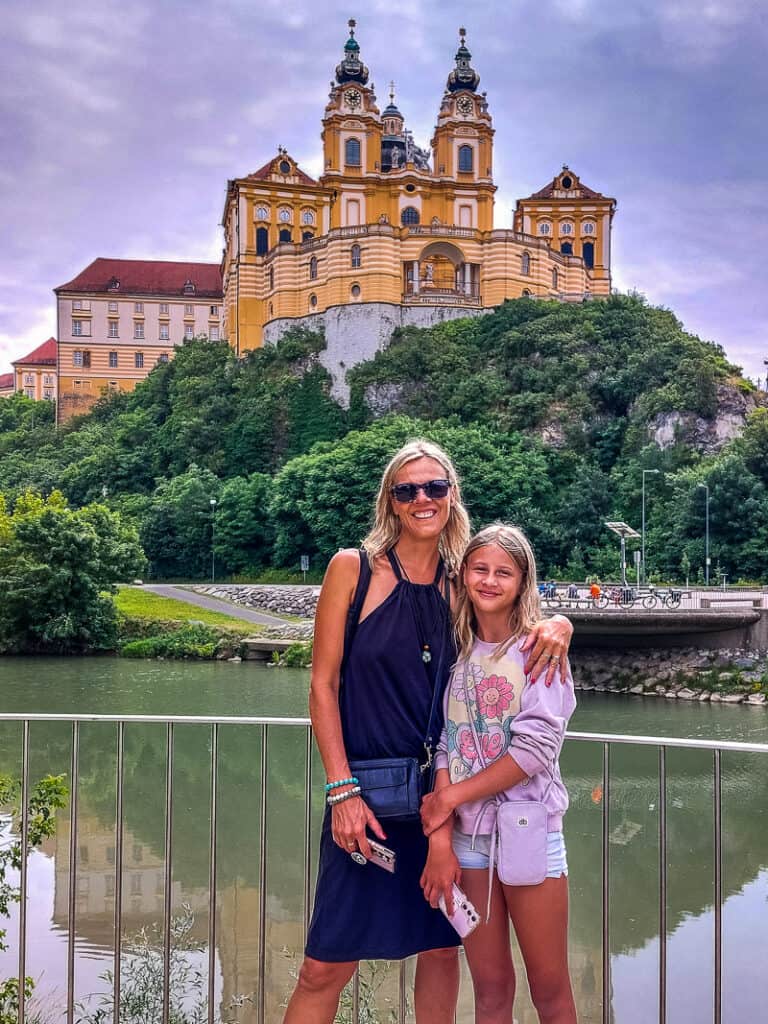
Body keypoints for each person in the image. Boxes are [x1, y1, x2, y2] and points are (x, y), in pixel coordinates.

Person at [283, 441, 574, 1024]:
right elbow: (322, 686)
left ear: (451, 496)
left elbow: (511, 613)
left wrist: (563, 623)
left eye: (434, 487)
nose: (422, 499)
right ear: (389, 501)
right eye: (407, 489)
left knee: (441, 950)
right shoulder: (352, 569)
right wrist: (341, 791)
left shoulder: (459, 583)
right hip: (364, 799)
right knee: (325, 964)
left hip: (444, 806)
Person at [420, 523, 577, 1023]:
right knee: (489, 989)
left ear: (522, 581)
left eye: (503, 572)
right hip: (469, 842)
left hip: (530, 832)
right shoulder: (459, 655)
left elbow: (533, 751)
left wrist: (447, 799)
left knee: (549, 990)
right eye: (480, 569)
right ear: (464, 575)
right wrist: (445, 824)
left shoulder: (539, 650)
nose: (489, 581)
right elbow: (447, 739)